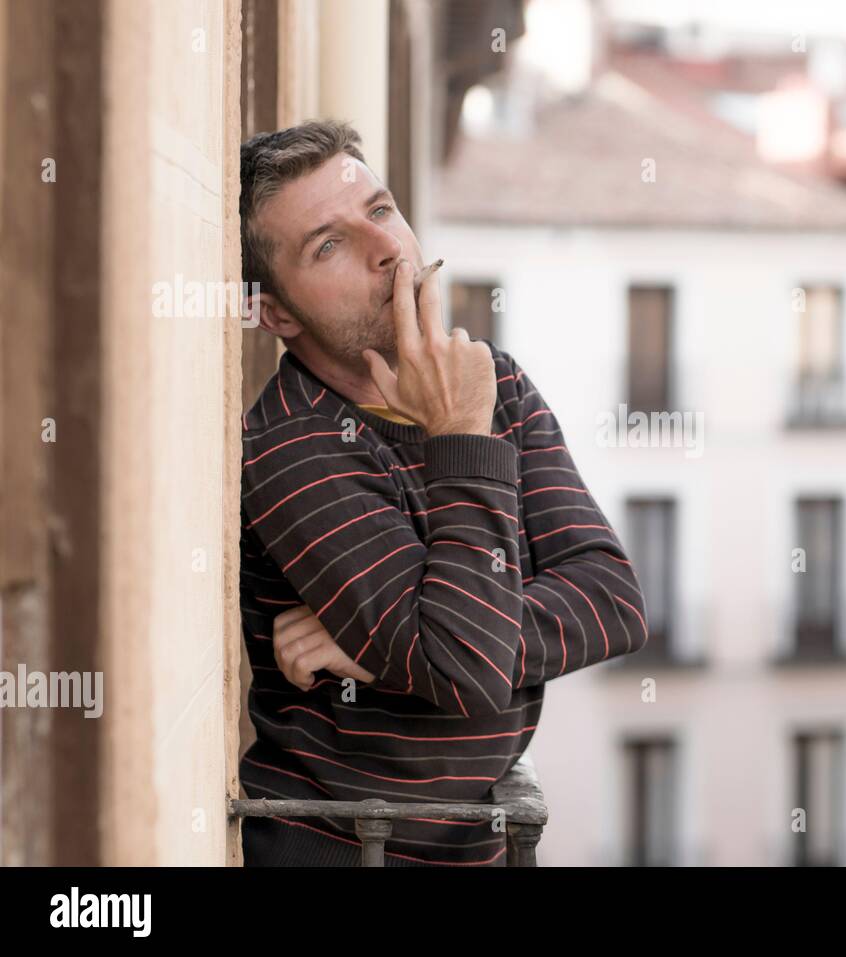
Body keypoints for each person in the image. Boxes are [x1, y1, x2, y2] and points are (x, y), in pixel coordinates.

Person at [237, 120, 648, 866]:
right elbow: (467, 667)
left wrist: (390, 648)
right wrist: (462, 433)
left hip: (471, 845)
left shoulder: (494, 383)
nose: (386, 248)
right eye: (328, 245)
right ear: (278, 313)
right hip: (349, 850)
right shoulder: (293, 444)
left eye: (382, 210)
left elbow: (614, 600)